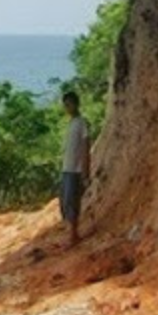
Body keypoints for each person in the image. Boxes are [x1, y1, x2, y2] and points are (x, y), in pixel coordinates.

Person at [60, 91, 91, 245]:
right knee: (65, 202)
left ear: (76, 104)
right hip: (67, 168)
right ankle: (71, 234)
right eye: (65, 105)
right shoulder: (71, 123)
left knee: (72, 201)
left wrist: (85, 170)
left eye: (70, 104)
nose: (67, 107)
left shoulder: (82, 123)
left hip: (75, 169)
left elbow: (86, 147)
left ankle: (73, 236)